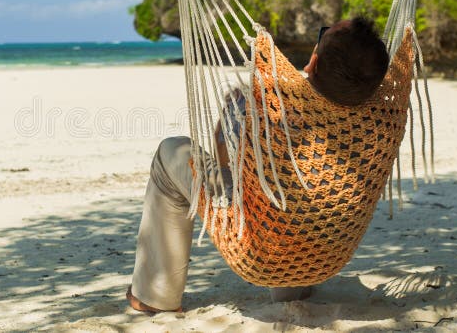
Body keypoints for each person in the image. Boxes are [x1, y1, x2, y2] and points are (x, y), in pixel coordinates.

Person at [127, 17, 390, 313]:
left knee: (171, 151)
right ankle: (290, 290)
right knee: (289, 197)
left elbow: (228, 169)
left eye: (323, 34)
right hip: (326, 254)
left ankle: (155, 296)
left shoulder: (272, 110)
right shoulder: (379, 123)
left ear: (312, 62)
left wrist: (232, 110)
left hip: (261, 255)